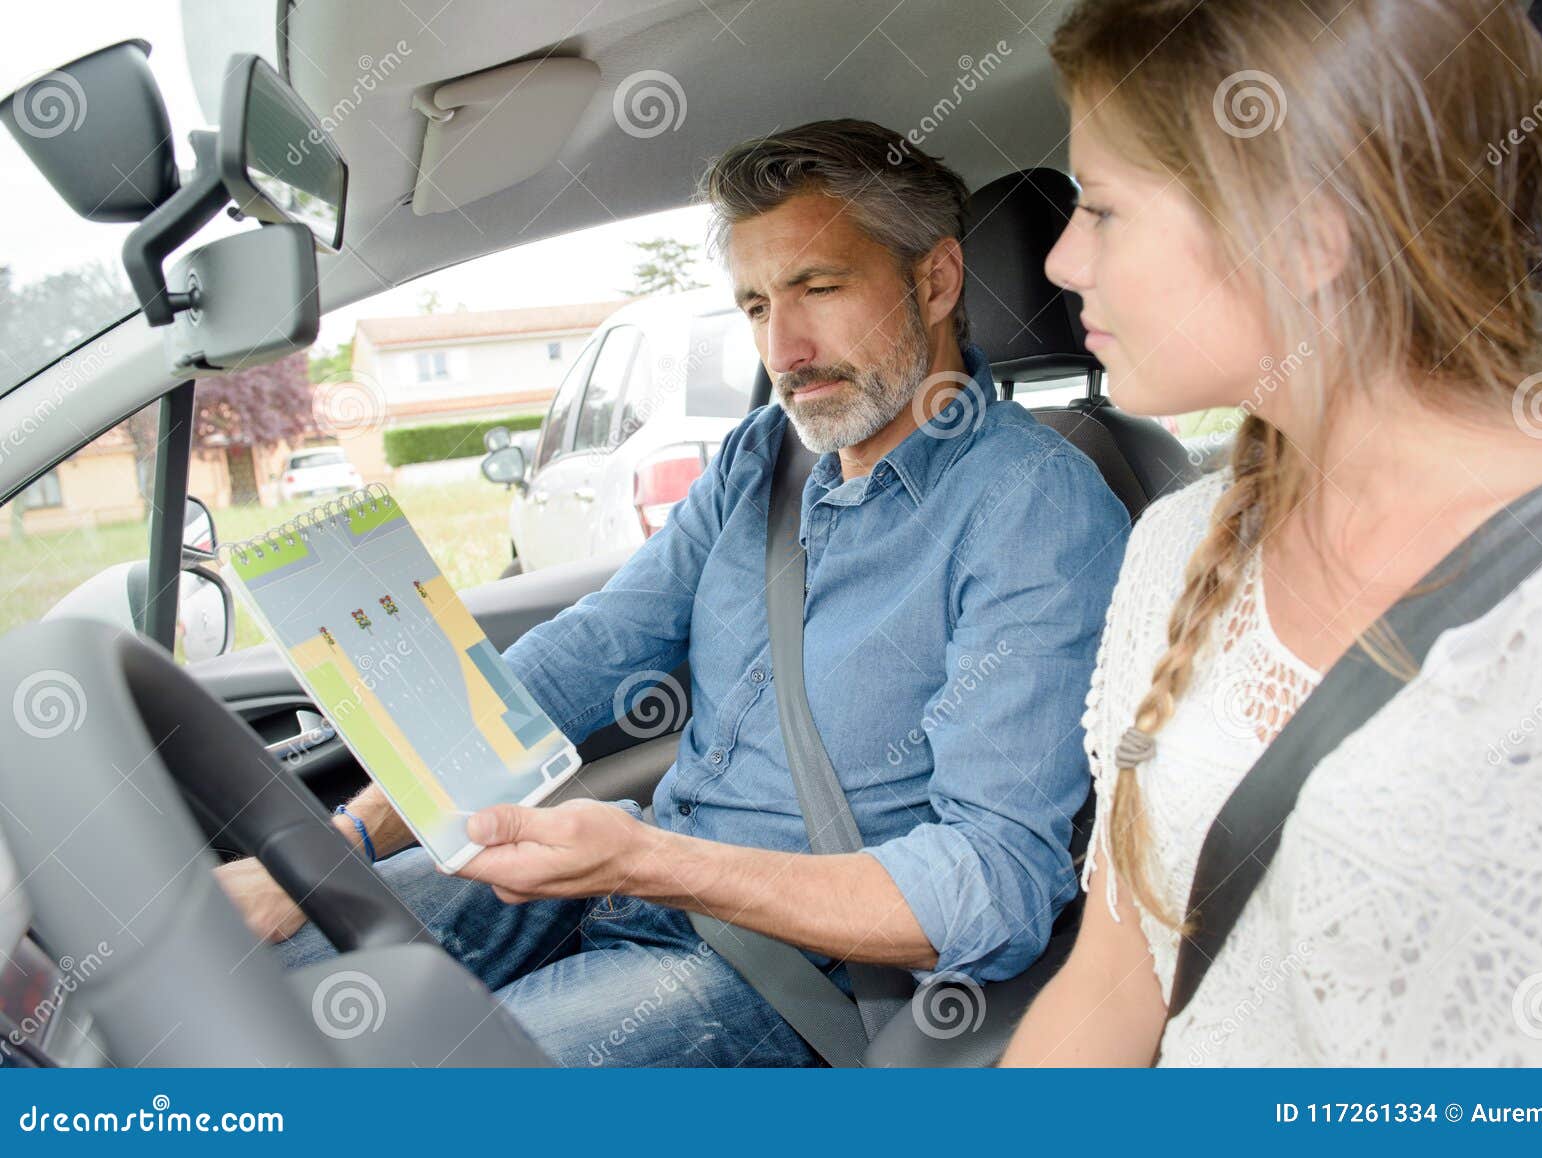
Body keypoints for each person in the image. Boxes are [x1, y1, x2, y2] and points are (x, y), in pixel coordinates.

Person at [219, 119, 1130, 1067]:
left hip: (793, 973)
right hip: (637, 882)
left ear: (936, 281)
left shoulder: (1036, 511)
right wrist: (338, 849)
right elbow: (591, 653)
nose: (785, 346)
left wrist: (656, 863)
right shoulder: (762, 461)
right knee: (242, 989)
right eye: (753, 306)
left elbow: (996, 879)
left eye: (818, 288)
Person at [1005, 0, 1542, 1066]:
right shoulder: (1179, 546)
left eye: (1100, 209)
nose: (1057, 262)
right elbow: (1115, 980)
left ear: (1305, 237)